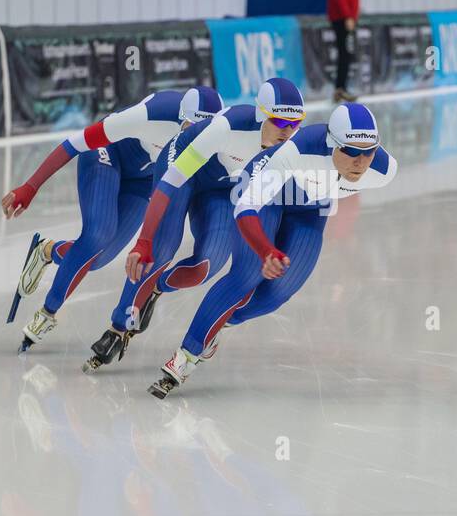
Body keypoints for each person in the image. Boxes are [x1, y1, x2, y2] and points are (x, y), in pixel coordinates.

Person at [148, 103, 398, 398]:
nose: (360, 162)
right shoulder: (297, 151)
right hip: (265, 193)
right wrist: (265, 250)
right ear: (332, 143)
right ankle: (186, 356)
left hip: (309, 208)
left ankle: (218, 323)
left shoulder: (384, 170)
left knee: (277, 294)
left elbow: (354, 172)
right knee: (246, 274)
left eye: (368, 152)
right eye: (351, 152)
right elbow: (245, 208)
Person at [80, 78, 306, 372]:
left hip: (220, 188)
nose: (288, 132)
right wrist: (144, 240)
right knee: (161, 250)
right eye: (280, 122)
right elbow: (171, 180)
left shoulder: (292, 150)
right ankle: (118, 327)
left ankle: (156, 288)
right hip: (182, 170)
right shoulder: (228, 128)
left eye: (296, 123)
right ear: (262, 114)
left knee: (205, 267)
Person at [3, 85, 224, 351]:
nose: (196, 140)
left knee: (96, 260)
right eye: (191, 131)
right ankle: (48, 312)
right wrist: (31, 186)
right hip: (107, 154)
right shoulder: (150, 115)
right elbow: (76, 142)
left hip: (144, 181)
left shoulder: (219, 135)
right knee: (99, 234)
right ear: (183, 119)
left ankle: (47, 251)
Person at [325, 0, 361, 103]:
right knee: (345, 53)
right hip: (342, 19)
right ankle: (340, 88)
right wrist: (348, 17)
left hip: (344, 17)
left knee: (345, 53)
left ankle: (341, 88)